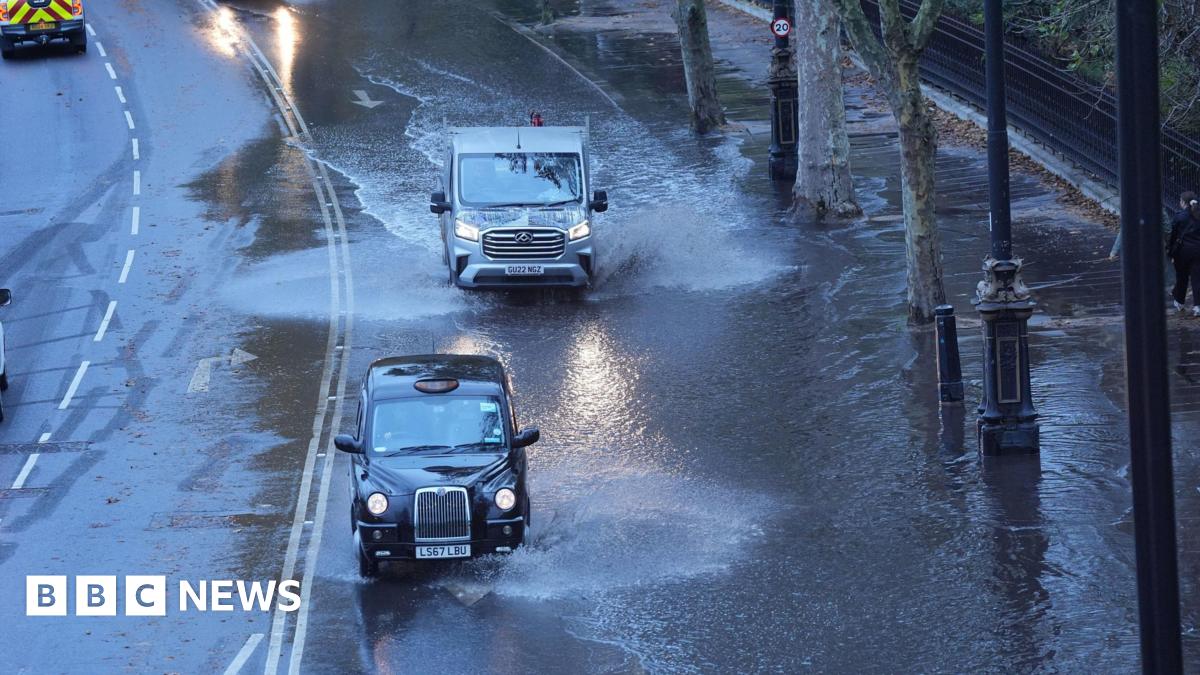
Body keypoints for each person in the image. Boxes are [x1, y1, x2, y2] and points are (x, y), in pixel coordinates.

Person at [1167, 191, 1197, 312]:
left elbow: (1173, 235)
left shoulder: (1179, 216)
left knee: (1182, 277)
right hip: (1198, 250)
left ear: (1183, 202)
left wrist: (1170, 250)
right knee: (1197, 278)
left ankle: (1179, 301)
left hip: (1183, 251)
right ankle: (1198, 306)